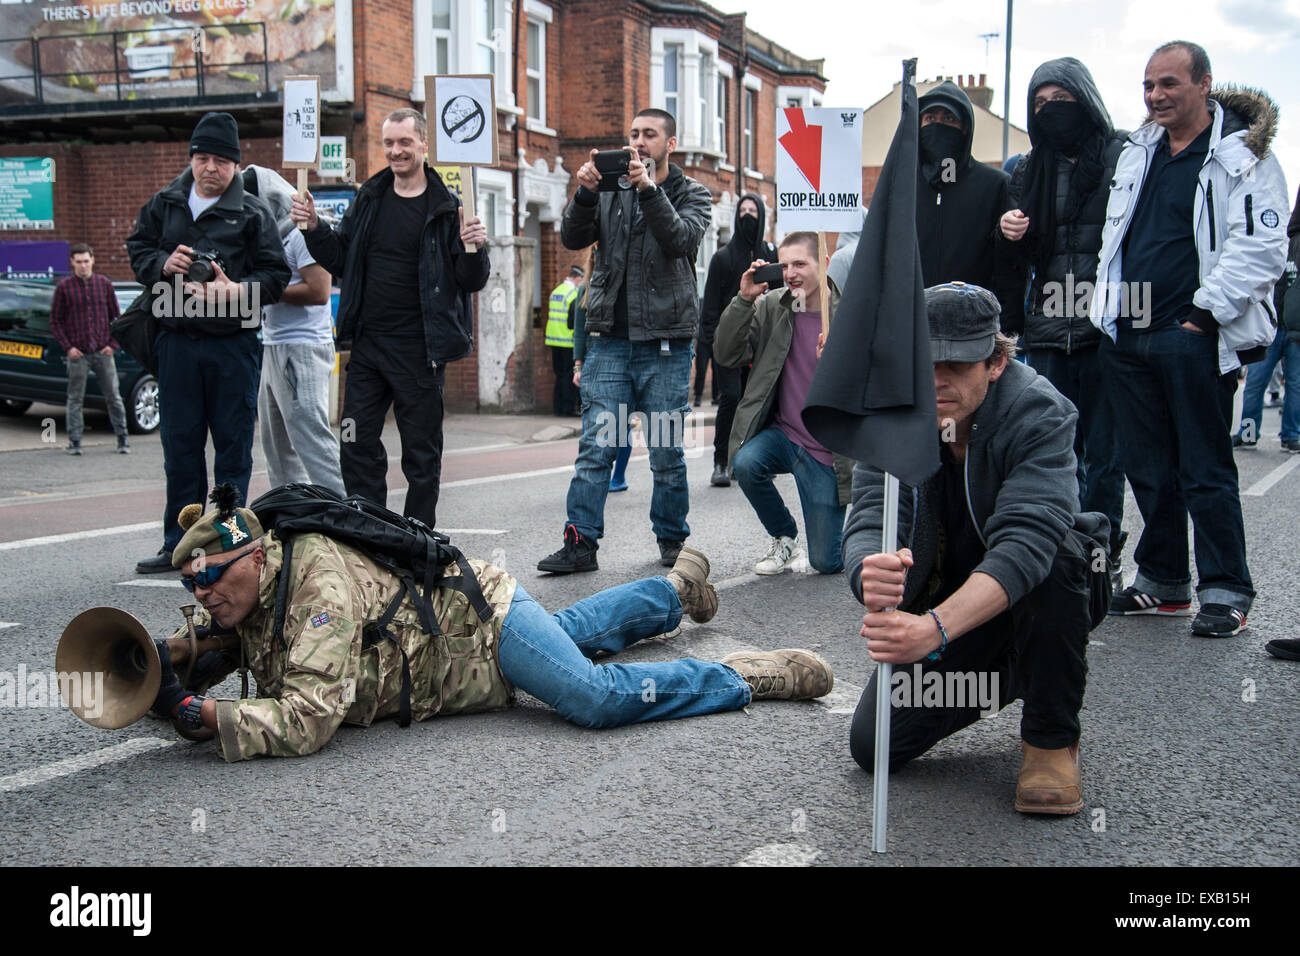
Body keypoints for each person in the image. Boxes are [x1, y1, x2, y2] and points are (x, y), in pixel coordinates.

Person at [149, 486, 834, 760]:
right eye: (190, 583)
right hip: (460, 650)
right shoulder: (266, 582)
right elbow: (276, 644)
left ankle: (745, 677)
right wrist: (183, 658)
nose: (202, 593)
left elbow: (309, 715)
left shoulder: (315, 584)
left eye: (211, 577)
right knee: (574, 634)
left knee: (590, 698)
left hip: (486, 624)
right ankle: (674, 591)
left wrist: (201, 716)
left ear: (254, 555)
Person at [844, 282, 1109, 815]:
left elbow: (1025, 546)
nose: (938, 380)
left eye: (958, 365)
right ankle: (1015, 667)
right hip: (952, 605)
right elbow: (872, 510)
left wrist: (932, 630)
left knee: (1056, 556)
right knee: (876, 744)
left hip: (1037, 591)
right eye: (927, 363)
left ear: (995, 361)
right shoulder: (894, 414)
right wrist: (867, 568)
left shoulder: (1040, 411)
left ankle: (1050, 739)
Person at [1089, 41, 1289, 636]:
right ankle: (1164, 580)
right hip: (1127, 334)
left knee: (1205, 467)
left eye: (1170, 84)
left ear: (1205, 83)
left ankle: (1227, 589)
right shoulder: (1137, 153)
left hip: (1192, 334)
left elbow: (1261, 248)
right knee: (1147, 467)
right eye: (1149, 86)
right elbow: (1115, 239)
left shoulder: (1243, 158)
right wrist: (1107, 316)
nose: (1156, 97)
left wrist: (1203, 317)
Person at [291, 107, 489, 529]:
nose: (396, 151)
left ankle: (417, 537)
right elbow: (341, 258)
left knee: (421, 453)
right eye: (389, 143)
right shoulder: (369, 199)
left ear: (423, 145)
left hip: (420, 350)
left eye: (404, 142)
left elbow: (470, 280)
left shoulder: (447, 208)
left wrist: (476, 247)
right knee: (354, 438)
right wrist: (313, 229)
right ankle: (372, 529)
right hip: (367, 346)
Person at [538, 108, 712, 573]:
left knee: (666, 453)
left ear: (669, 144)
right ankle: (580, 544)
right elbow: (571, 236)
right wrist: (587, 193)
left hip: (665, 346)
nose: (638, 142)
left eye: (649, 135)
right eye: (633, 134)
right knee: (596, 446)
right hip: (610, 342)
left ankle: (673, 542)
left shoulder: (690, 192)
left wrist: (648, 189)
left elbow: (680, 239)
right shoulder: (609, 192)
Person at [126, 112, 290, 573]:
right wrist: (162, 262)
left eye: (221, 160)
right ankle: (177, 542)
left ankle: (230, 541)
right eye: (202, 158)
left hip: (231, 346)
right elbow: (137, 249)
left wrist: (235, 291)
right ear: (191, 158)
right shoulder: (165, 203)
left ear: (237, 165)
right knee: (179, 446)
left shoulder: (253, 212)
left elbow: (276, 277)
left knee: (233, 447)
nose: (210, 168)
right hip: (176, 342)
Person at [999, 58, 1129, 586]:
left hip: (1106, 326)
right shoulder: (1029, 169)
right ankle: (1069, 550)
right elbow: (1026, 256)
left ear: (1086, 97)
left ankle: (1103, 560)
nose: (1052, 110)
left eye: (1061, 98)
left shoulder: (1124, 156)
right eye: (1040, 102)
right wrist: (1010, 228)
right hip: (1049, 329)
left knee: (1106, 454)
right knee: (1059, 450)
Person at [713, 231, 853, 575]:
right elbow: (727, 354)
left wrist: (835, 363)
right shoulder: (773, 305)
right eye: (785, 264)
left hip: (827, 452)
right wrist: (744, 300)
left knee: (827, 562)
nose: (790, 273)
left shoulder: (850, 313)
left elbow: (875, 384)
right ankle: (785, 537)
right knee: (745, 462)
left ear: (825, 265)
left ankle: (857, 532)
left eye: (800, 264)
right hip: (785, 435)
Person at [242, 166, 345, 495]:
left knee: (312, 441)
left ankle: (347, 517)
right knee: (276, 447)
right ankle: (293, 516)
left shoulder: (300, 232)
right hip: (274, 344)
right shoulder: (271, 235)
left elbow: (319, 291)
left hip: (302, 347)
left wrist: (263, 288)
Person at [915, 81, 1026, 334]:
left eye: (949, 118)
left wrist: (1007, 334)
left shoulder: (995, 185)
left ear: (965, 128)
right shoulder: (902, 187)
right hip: (913, 331)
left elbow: (1010, 271)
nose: (938, 125)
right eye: (930, 117)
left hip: (974, 333)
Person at [699, 193, 777, 487]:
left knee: (758, 401)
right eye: (742, 211)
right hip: (728, 344)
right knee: (730, 398)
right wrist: (708, 347)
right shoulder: (722, 258)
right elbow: (709, 308)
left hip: (761, 344)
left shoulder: (771, 255)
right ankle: (720, 460)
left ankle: (749, 460)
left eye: (752, 211)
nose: (747, 216)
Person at [49, 243, 130, 456]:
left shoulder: (104, 284)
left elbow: (117, 318)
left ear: (93, 260)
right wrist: (68, 347)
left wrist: (112, 345)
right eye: (79, 262)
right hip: (79, 353)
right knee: (75, 398)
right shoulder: (64, 288)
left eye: (86, 261)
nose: (83, 266)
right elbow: (55, 321)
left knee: (113, 395)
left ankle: (122, 438)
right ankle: (75, 441)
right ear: (72, 263)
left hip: (103, 350)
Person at [572, 257, 635, 492]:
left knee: (622, 423)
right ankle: (596, 475)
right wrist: (578, 366)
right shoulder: (584, 289)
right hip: (592, 363)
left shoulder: (624, 285)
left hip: (620, 361)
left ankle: (618, 477)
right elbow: (579, 332)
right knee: (593, 425)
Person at [546, 266, 584, 416]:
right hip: (568, 341)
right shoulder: (573, 293)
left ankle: (558, 407)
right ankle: (568, 408)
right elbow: (575, 320)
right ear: (577, 278)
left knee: (559, 375)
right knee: (569, 377)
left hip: (554, 340)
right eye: (580, 281)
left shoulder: (556, 292)